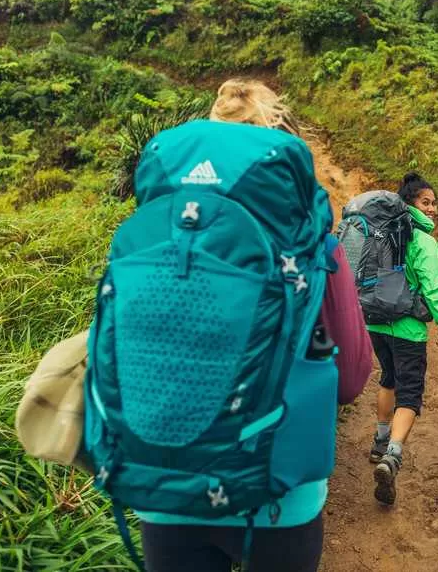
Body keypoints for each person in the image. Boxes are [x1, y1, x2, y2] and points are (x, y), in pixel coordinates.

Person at [134, 79, 373, 572]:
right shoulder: (316, 249)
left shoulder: (160, 241)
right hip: (279, 493)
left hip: (168, 485)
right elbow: (350, 378)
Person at [368, 172, 438, 506]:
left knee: (388, 378)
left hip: (376, 323)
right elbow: (434, 288)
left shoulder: (380, 233)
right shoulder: (423, 241)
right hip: (408, 329)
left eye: (434, 204)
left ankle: (379, 439)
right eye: (425, 202)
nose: (432, 209)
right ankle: (392, 456)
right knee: (410, 393)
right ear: (409, 203)